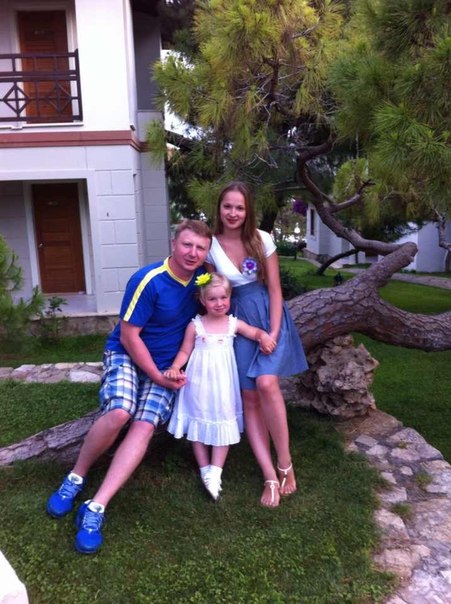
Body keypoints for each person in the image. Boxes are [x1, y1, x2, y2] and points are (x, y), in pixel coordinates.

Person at [46, 219, 212, 554]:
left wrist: (170, 372)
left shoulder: (202, 279)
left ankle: (96, 506)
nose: (193, 253)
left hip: (167, 365)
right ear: (173, 244)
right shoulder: (147, 280)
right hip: (126, 354)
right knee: (121, 411)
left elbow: (220, 295)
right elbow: (128, 336)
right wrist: (157, 376)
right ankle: (75, 478)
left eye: (200, 248)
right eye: (187, 244)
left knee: (145, 425)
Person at [206, 182, 308, 508]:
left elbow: (275, 289)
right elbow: (213, 292)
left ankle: (285, 463)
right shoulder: (210, 247)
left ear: (247, 210)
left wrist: (274, 331)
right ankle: (269, 475)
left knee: (266, 383)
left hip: (267, 315)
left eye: (239, 207)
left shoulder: (261, 240)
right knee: (249, 398)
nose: (233, 213)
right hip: (237, 323)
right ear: (219, 208)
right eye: (227, 206)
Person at [164, 272, 275, 501]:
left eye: (223, 297)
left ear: (230, 297)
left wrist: (263, 336)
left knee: (223, 418)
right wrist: (175, 367)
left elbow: (252, 332)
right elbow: (185, 351)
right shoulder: (195, 326)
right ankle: (204, 468)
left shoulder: (232, 323)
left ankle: (216, 472)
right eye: (212, 299)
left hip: (223, 384)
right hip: (198, 383)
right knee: (197, 419)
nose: (219, 303)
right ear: (203, 301)